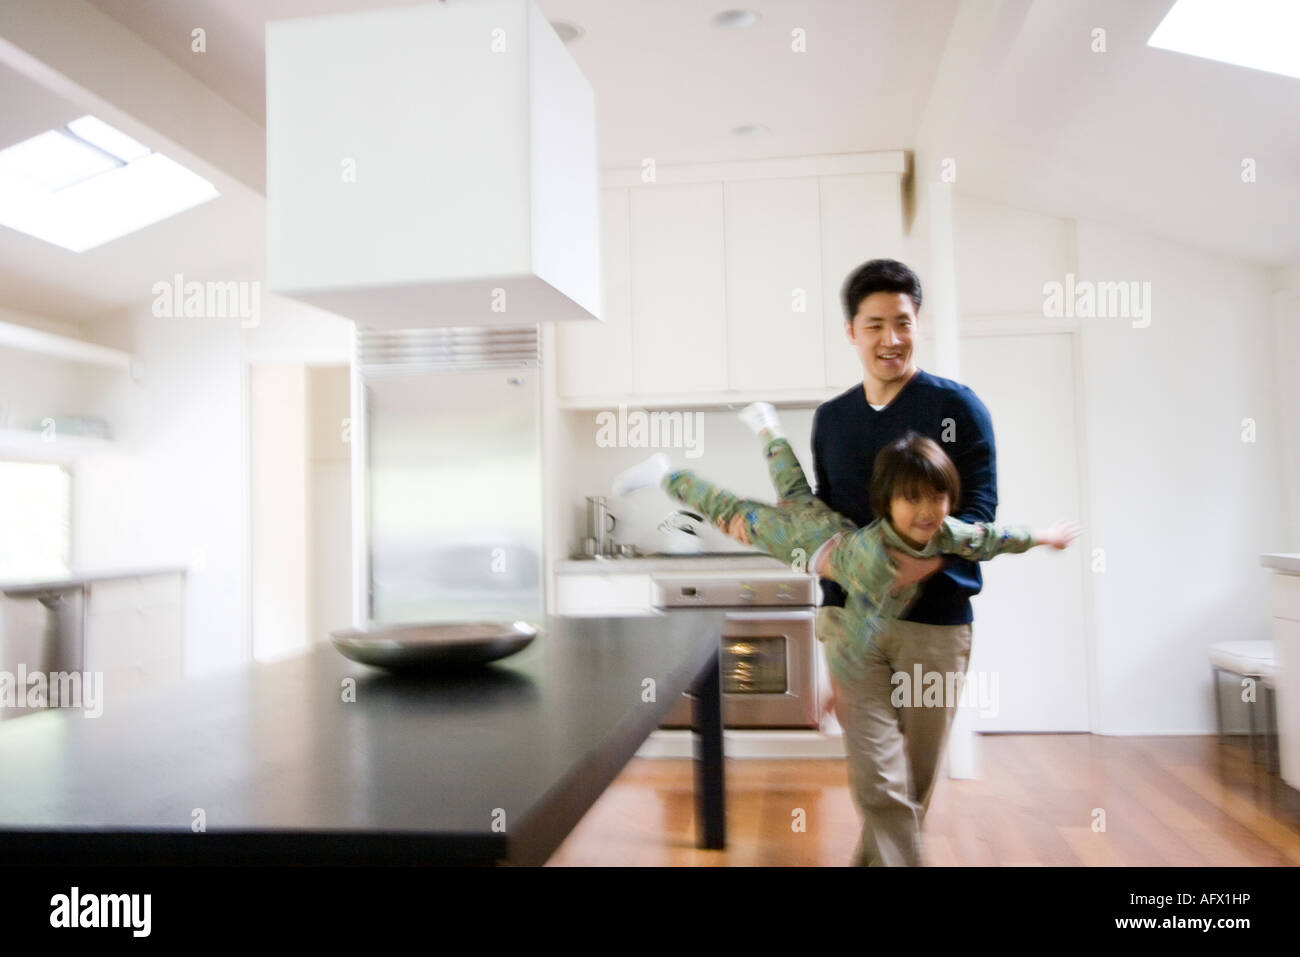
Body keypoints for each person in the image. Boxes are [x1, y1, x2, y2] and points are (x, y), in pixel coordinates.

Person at [611, 408, 1078, 682]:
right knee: (729, 511)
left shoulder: (946, 531)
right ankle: (665, 473)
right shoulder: (883, 567)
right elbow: (861, 627)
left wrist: (1043, 536)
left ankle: (767, 426)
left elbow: (990, 538)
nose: (926, 512)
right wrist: (844, 687)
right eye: (912, 500)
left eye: (937, 498)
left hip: (828, 527)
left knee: (794, 491)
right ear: (888, 504)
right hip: (802, 542)